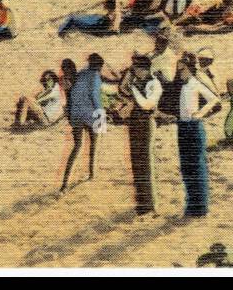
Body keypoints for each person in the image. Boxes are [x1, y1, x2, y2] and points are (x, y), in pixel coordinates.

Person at [174, 51, 222, 217]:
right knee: (186, 166)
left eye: (181, 70)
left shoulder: (195, 83)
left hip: (193, 127)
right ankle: (192, 204)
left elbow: (215, 100)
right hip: (182, 126)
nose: (179, 73)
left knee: (197, 166)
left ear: (189, 68)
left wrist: (201, 114)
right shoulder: (183, 85)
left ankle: (200, 206)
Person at [118, 52, 163, 214]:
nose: (133, 70)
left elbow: (146, 104)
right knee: (137, 164)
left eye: (135, 68)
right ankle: (142, 204)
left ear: (143, 68)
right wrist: (128, 77)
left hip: (145, 123)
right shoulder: (137, 81)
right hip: (134, 123)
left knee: (146, 164)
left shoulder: (154, 84)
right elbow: (122, 89)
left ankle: (151, 205)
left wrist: (134, 90)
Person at [60, 53, 107, 192]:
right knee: (93, 144)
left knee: (77, 147)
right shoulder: (95, 76)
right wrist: (101, 114)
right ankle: (92, 174)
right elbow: (95, 97)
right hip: (91, 115)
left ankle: (65, 183)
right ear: (99, 66)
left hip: (75, 115)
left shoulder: (80, 73)